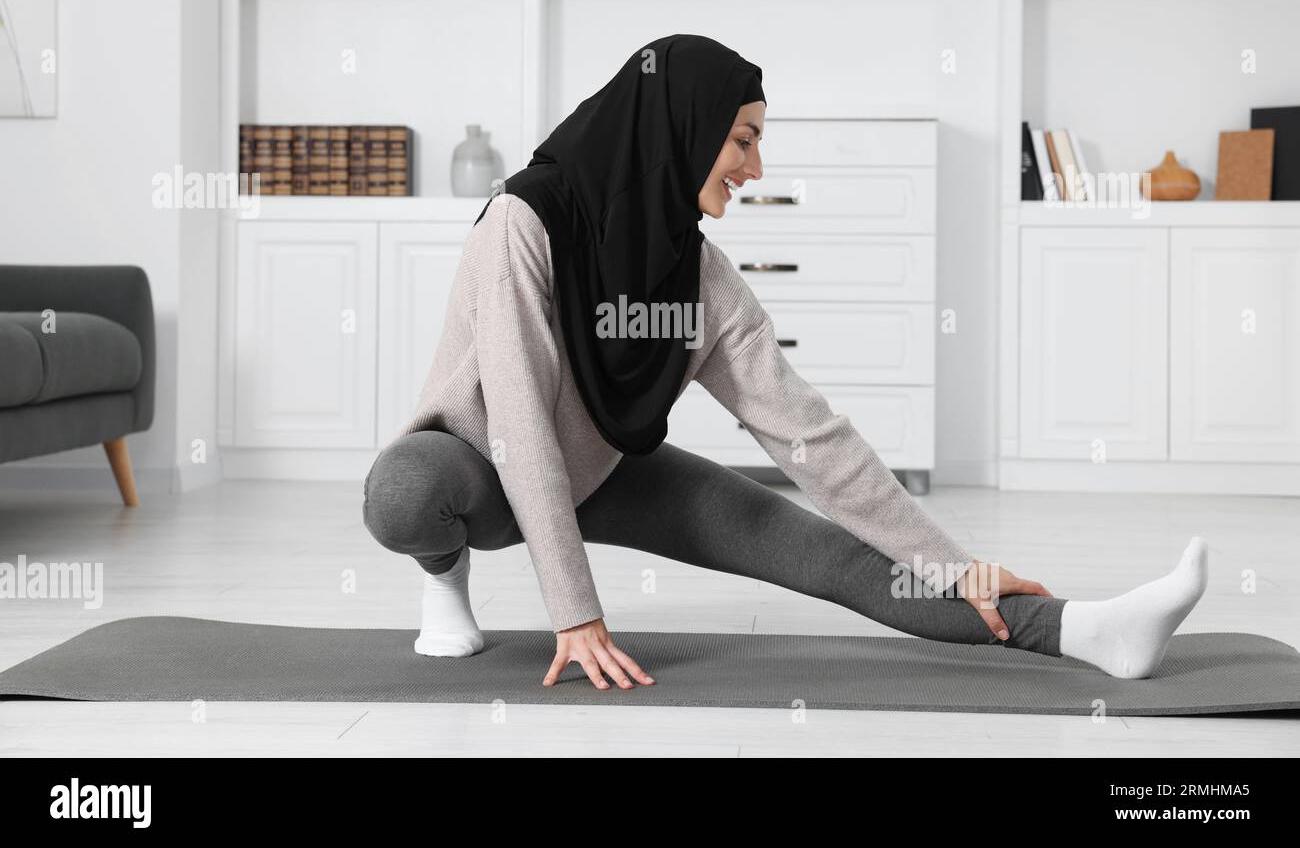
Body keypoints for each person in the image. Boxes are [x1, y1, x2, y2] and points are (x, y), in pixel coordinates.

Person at [362, 34, 1209, 691]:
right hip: (479, 469)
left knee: (826, 551)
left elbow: (813, 438)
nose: (755, 168)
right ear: (682, 129)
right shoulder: (524, 223)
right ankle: (445, 577)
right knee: (402, 491)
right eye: (741, 140)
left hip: (598, 470)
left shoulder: (698, 280)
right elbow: (515, 420)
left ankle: (1085, 631)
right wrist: (576, 615)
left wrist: (951, 565)